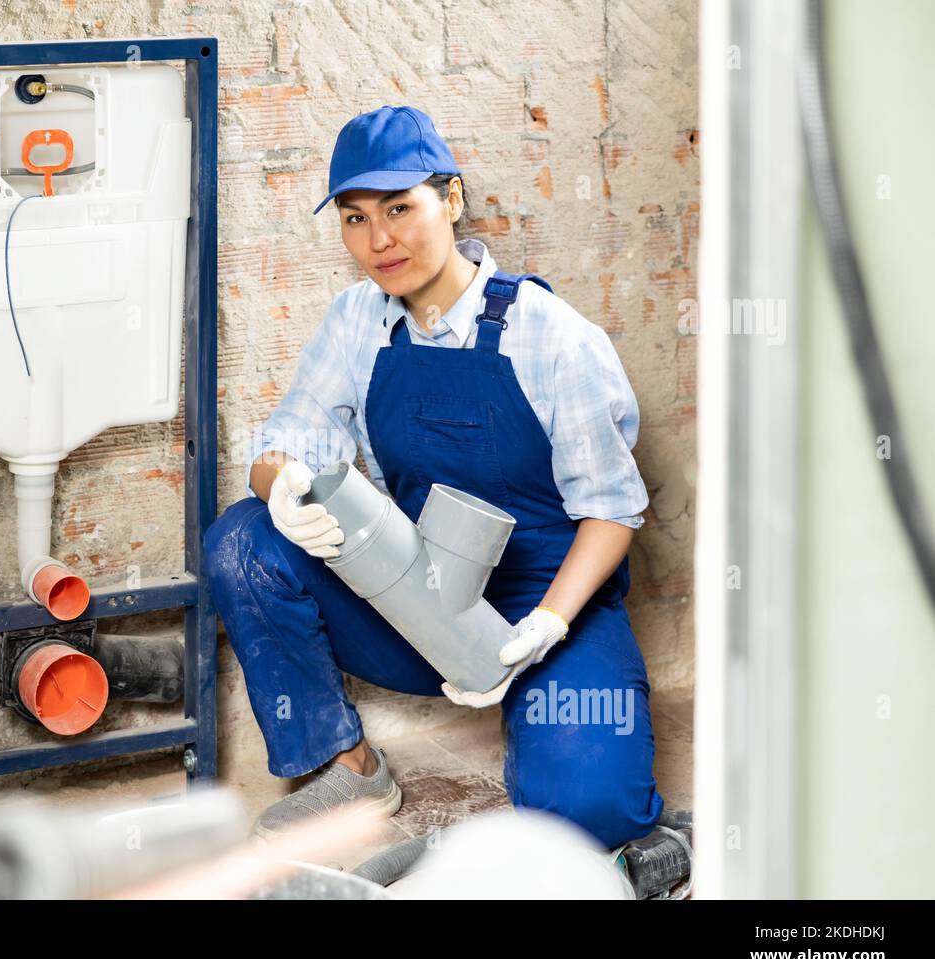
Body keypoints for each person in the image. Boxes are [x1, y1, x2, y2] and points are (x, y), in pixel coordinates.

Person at [202, 105, 665, 849]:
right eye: (354, 219)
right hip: (425, 599)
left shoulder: (553, 337)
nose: (379, 240)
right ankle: (349, 767)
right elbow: (282, 444)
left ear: (450, 200)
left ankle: (544, 733)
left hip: (549, 606)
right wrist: (280, 488)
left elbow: (612, 513)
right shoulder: (357, 320)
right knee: (243, 542)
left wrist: (545, 627)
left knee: (586, 818)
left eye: (399, 208)